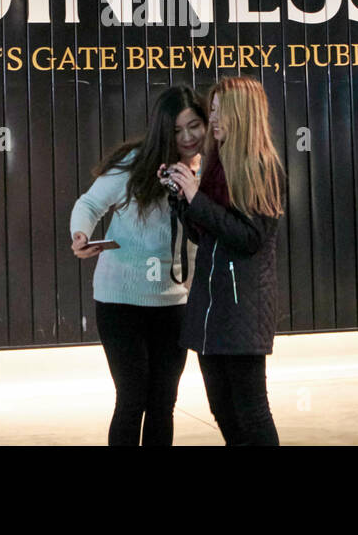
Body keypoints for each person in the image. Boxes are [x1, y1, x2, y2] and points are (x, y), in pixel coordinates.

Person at [69, 85, 207, 445]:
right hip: (120, 301)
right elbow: (89, 204)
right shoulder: (134, 164)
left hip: (175, 301)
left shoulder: (211, 171)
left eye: (195, 125)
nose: (188, 137)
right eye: (177, 130)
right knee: (132, 399)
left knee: (163, 402)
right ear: (163, 130)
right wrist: (81, 235)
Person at [165, 75, 286, 445]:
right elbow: (204, 235)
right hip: (212, 307)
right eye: (211, 109)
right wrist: (180, 197)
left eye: (219, 110)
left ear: (241, 114)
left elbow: (249, 238)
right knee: (222, 408)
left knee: (251, 410)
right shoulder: (216, 167)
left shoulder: (262, 167)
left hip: (242, 308)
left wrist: (195, 196)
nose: (212, 118)